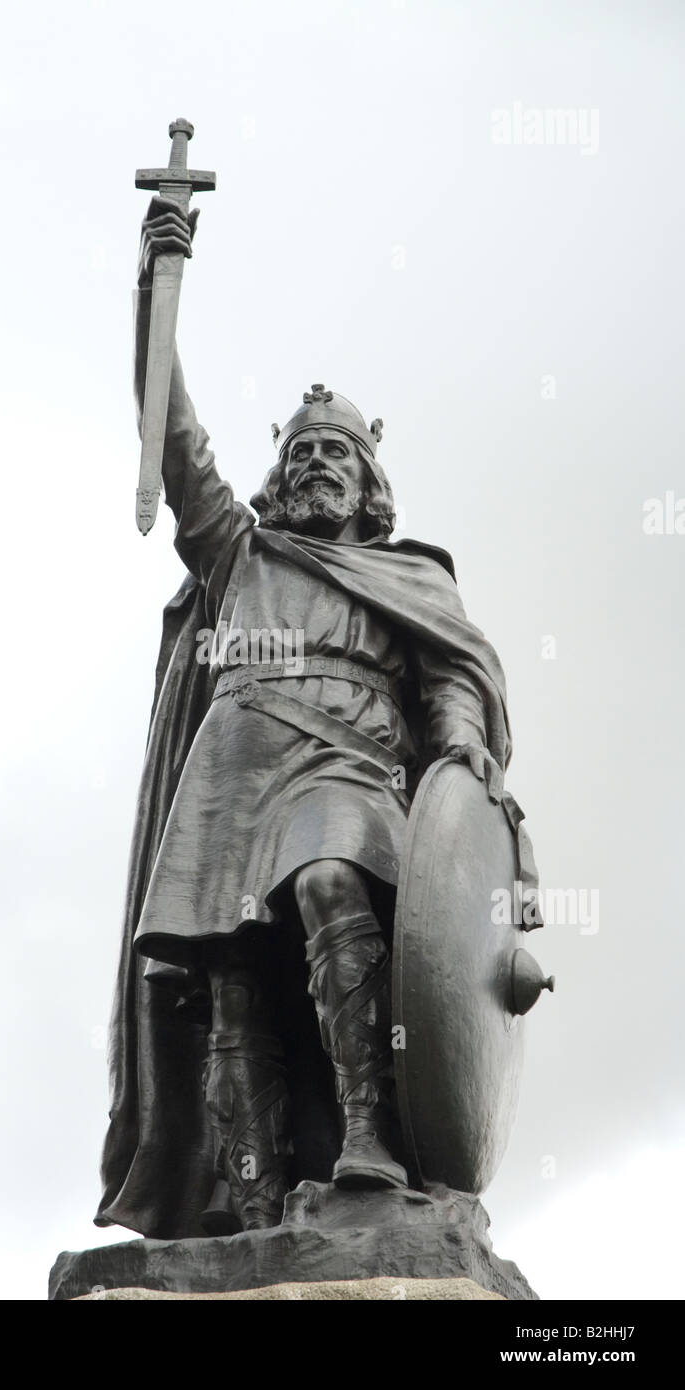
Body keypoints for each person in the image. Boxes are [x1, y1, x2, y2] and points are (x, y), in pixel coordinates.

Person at [94, 198, 511, 1239]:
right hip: (236, 766)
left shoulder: (413, 575)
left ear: (371, 488)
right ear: (283, 480)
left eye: (341, 458)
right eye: (306, 456)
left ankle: (369, 1132)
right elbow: (174, 434)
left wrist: (460, 746)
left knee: (333, 883)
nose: (320, 466)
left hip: (349, 764)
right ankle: (250, 1196)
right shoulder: (241, 551)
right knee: (228, 974)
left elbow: (451, 677)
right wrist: (155, 295)